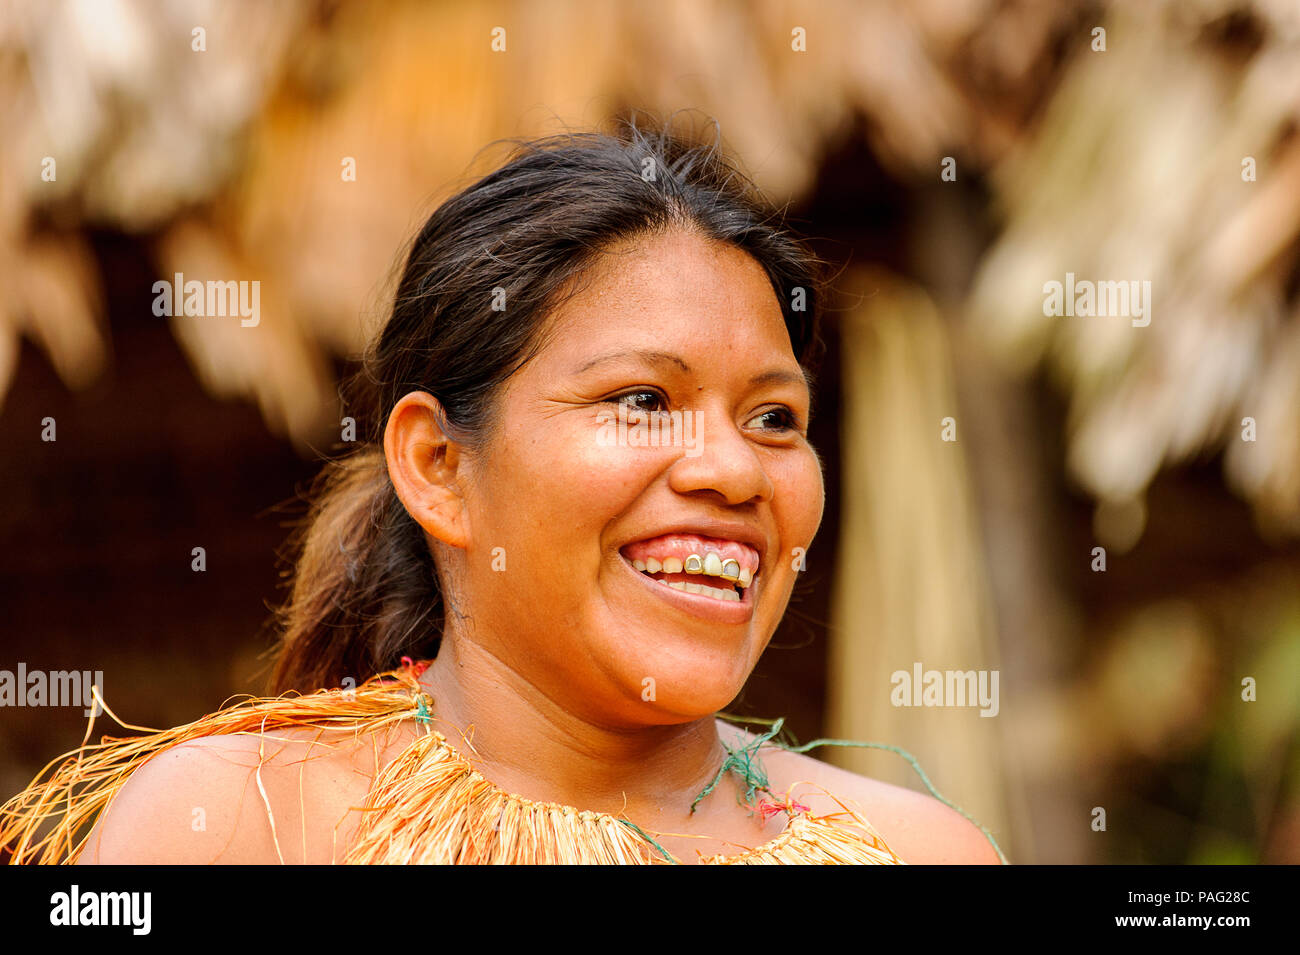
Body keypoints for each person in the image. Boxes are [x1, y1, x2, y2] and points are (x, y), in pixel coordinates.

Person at [1, 120, 1004, 865]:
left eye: (775, 417)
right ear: (439, 466)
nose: (734, 469)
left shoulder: (918, 852)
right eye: (643, 398)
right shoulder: (238, 825)